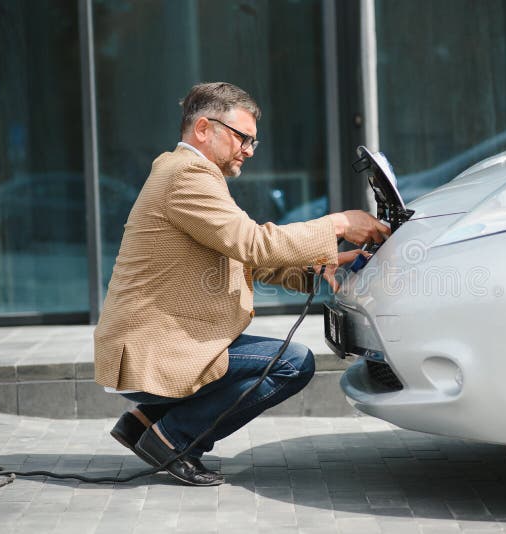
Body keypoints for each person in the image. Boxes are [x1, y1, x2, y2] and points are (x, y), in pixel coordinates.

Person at [93, 82, 389, 486]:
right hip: (154, 351)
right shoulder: (187, 177)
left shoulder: (187, 172)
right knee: (291, 363)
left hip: (158, 343)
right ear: (203, 128)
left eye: (254, 140)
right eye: (242, 137)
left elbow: (243, 255)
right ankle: (172, 438)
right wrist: (338, 224)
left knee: (272, 357)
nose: (249, 149)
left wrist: (320, 265)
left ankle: (144, 421)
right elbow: (253, 243)